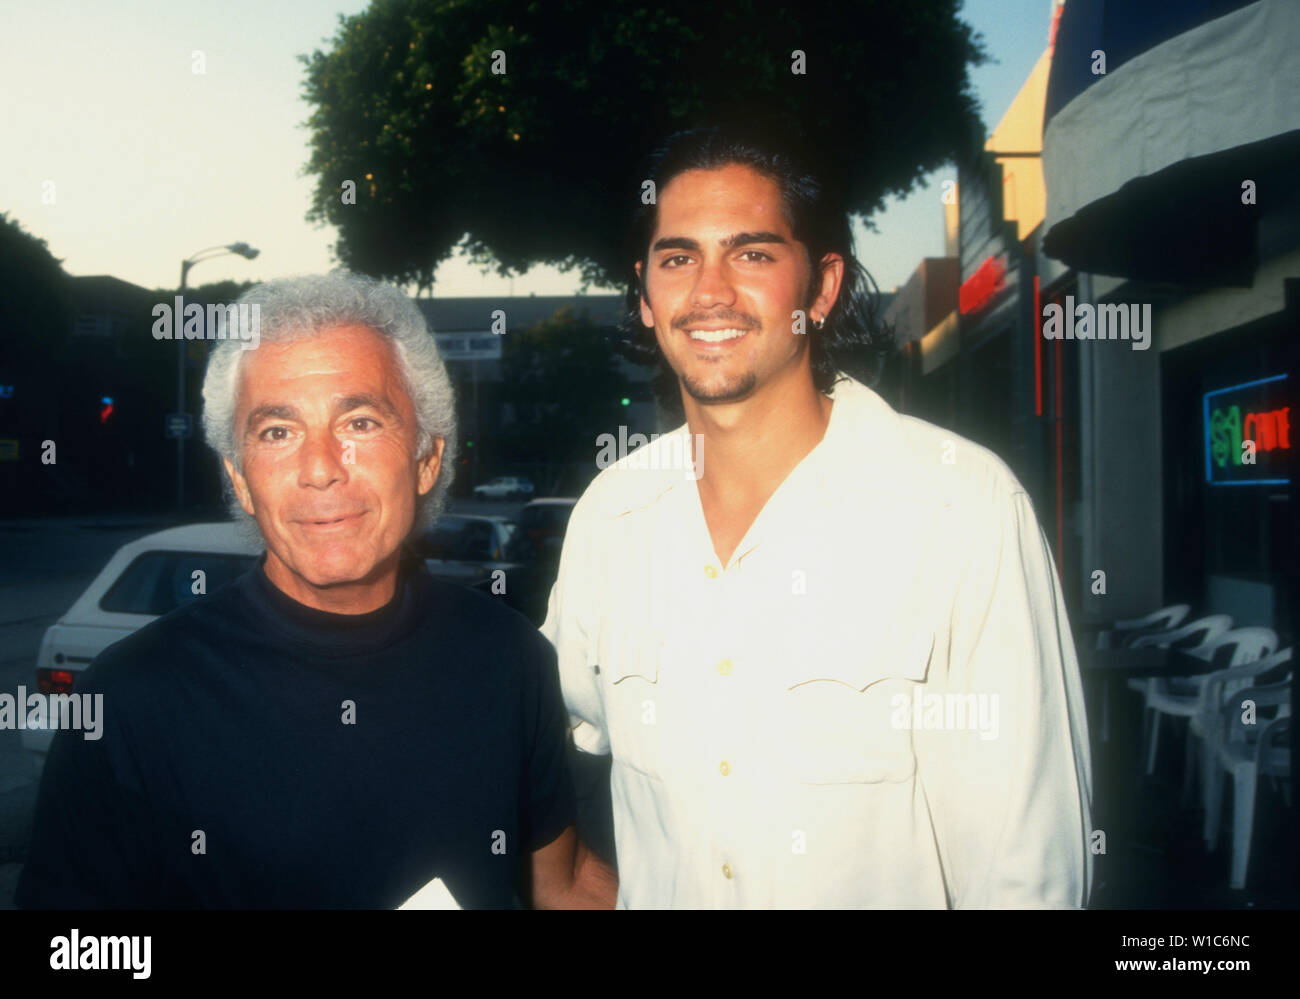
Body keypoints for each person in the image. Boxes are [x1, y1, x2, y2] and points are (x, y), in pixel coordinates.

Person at [542, 124, 1094, 908]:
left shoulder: (960, 507)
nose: (710, 293)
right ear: (644, 294)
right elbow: (556, 744)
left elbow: (1026, 873)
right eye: (678, 258)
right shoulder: (611, 517)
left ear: (823, 285)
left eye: (753, 253)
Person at [19, 272, 615, 909]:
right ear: (241, 480)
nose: (321, 468)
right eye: (277, 432)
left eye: (359, 422)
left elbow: (565, 883)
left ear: (426, 459)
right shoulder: (131, 700)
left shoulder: (508, 655)